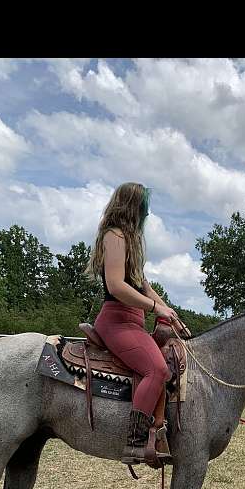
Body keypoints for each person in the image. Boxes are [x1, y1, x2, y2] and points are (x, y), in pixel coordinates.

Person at [86, 182, 189, 464]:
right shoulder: (115, 236)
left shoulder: (129, 241)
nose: (147, 214)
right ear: (134, 207)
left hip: (132, 322)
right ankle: (135, 441)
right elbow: (117, 286)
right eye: (144, 208)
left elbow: (144, 288)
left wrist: (169, 312)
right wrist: (156, 307)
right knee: (156, 370)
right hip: (116, 321)